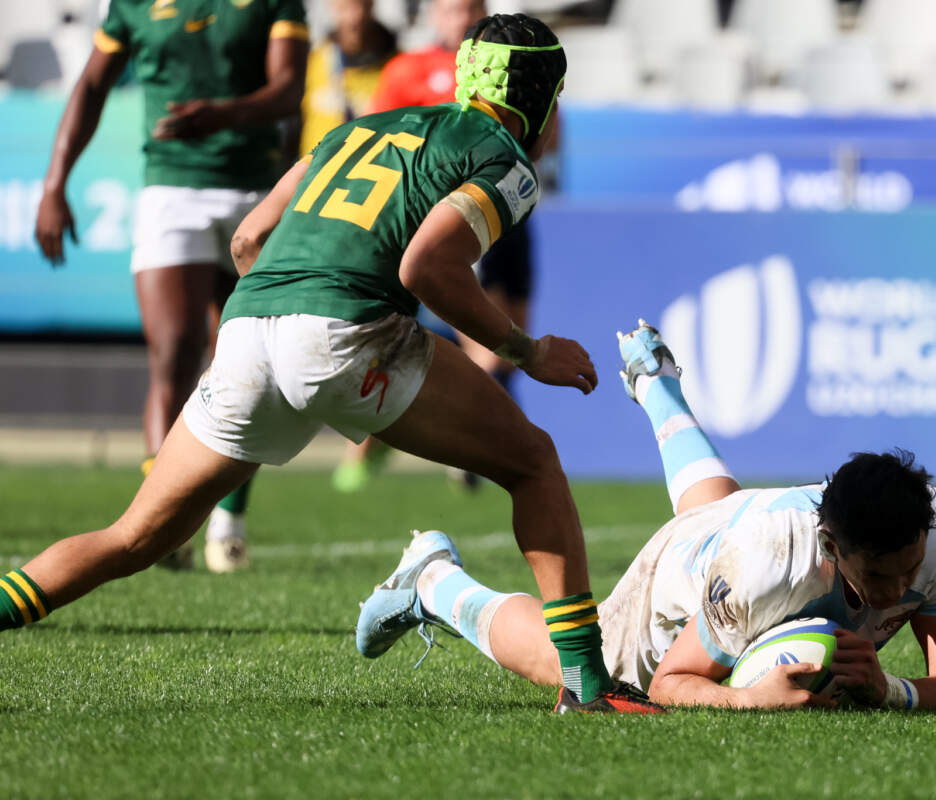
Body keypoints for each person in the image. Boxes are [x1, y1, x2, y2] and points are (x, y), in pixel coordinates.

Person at [4, 13, 659, 716]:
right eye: (556, 98)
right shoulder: (504, 159)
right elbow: (427, 264)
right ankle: (588, 688)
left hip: (250, 323)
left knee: (133, 536)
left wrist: (282, 344)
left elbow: (252, 236)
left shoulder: (357, 129)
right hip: (345, 329)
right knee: (531, 463)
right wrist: (527, 352)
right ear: (537, 97)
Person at [356, 321, 936, 711]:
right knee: (574, 663)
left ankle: (659, 388)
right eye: (877, 581)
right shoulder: (765, 566)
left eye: (910, 570)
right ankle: (434, 581)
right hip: (687, 573)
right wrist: (749, 697)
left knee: (722, 516)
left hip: (735, 529)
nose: (900, 593)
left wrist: (893, 691)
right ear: (832, 544)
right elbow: (671, 684)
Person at [33, 0, 310, 572]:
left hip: (256, 195)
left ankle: (229, 517)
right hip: (171, 192)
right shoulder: (131, 3)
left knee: (253, 362)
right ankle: (162, 524)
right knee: (173, 356)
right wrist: (54, 184)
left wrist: (224, 115)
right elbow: (89, 86)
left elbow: (289, 90)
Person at [331, 0, 536, 493]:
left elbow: (544, 128)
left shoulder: (511, 67)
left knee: (507, 341)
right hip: (448, 215)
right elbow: (374, 143)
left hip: (508, 209)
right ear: (433, 16)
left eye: (468, 8)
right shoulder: (410, 70)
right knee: (488, 339)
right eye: (449, 9)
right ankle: (459, 445)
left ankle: (440, 441)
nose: (459, 18)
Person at [299, 0, 396, 157]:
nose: (354, 17)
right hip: (317, 173)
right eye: (345, 8)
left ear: (372, 5)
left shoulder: (399, 66)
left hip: (371, 173)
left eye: (361, 6)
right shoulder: (314, 60)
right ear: (332, 8)